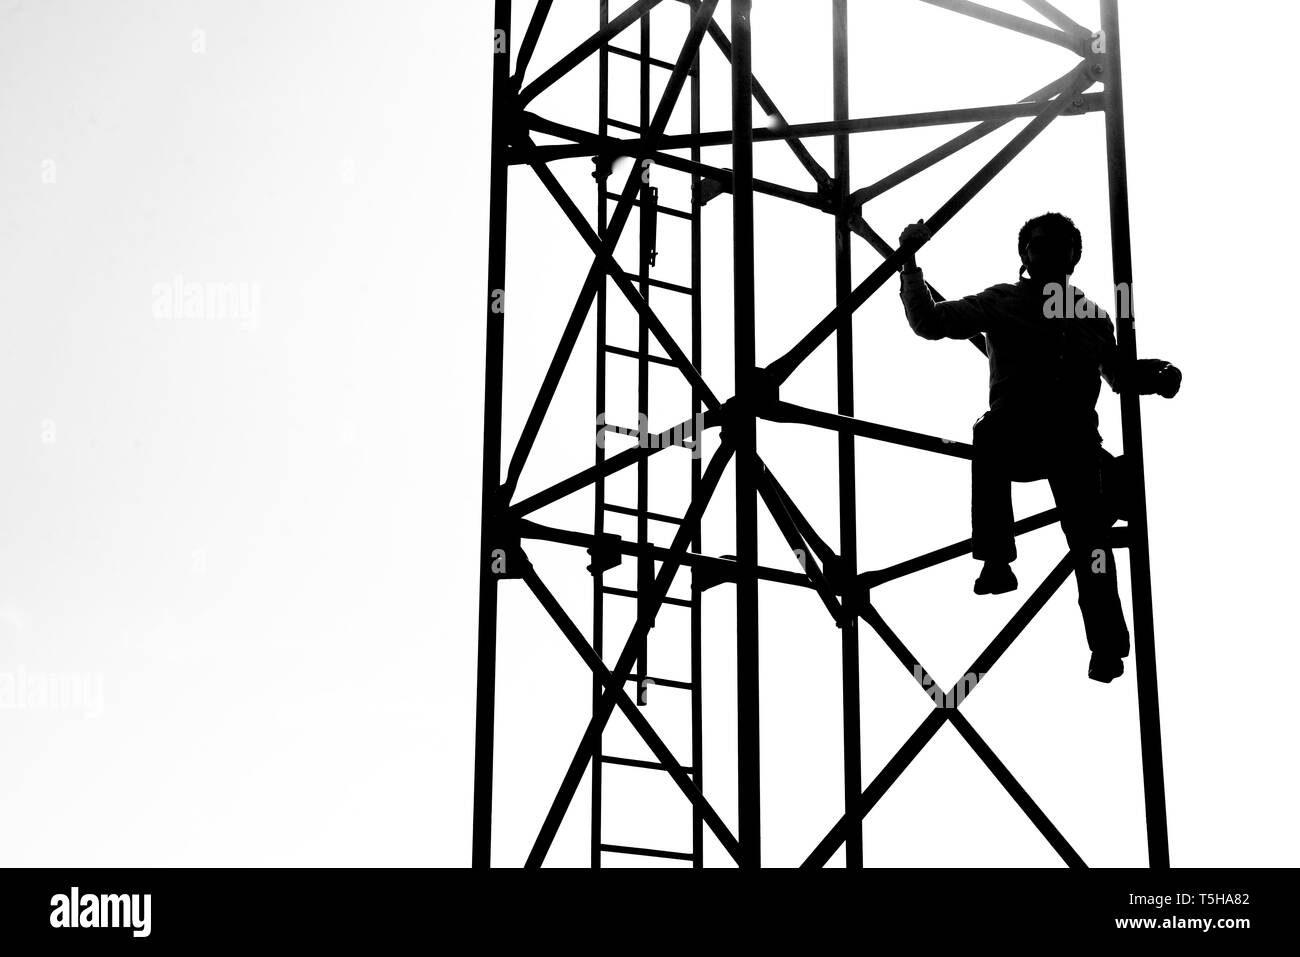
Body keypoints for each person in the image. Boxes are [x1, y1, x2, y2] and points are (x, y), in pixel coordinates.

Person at [897, 212, 1181, 682]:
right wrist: (909, 263)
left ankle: (1107, 645)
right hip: (1018, 436)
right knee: (988, 433)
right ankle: (995, 558)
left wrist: (1160, 373)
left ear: (1074, 254)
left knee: (1093, 548)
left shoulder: (1093, 317)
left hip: (1074, 445)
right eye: (1038, 244)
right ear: (1025, 254)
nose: (1047, 251)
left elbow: (1119, 375)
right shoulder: (1002, 301)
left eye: (1057, 244)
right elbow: (930, 321)